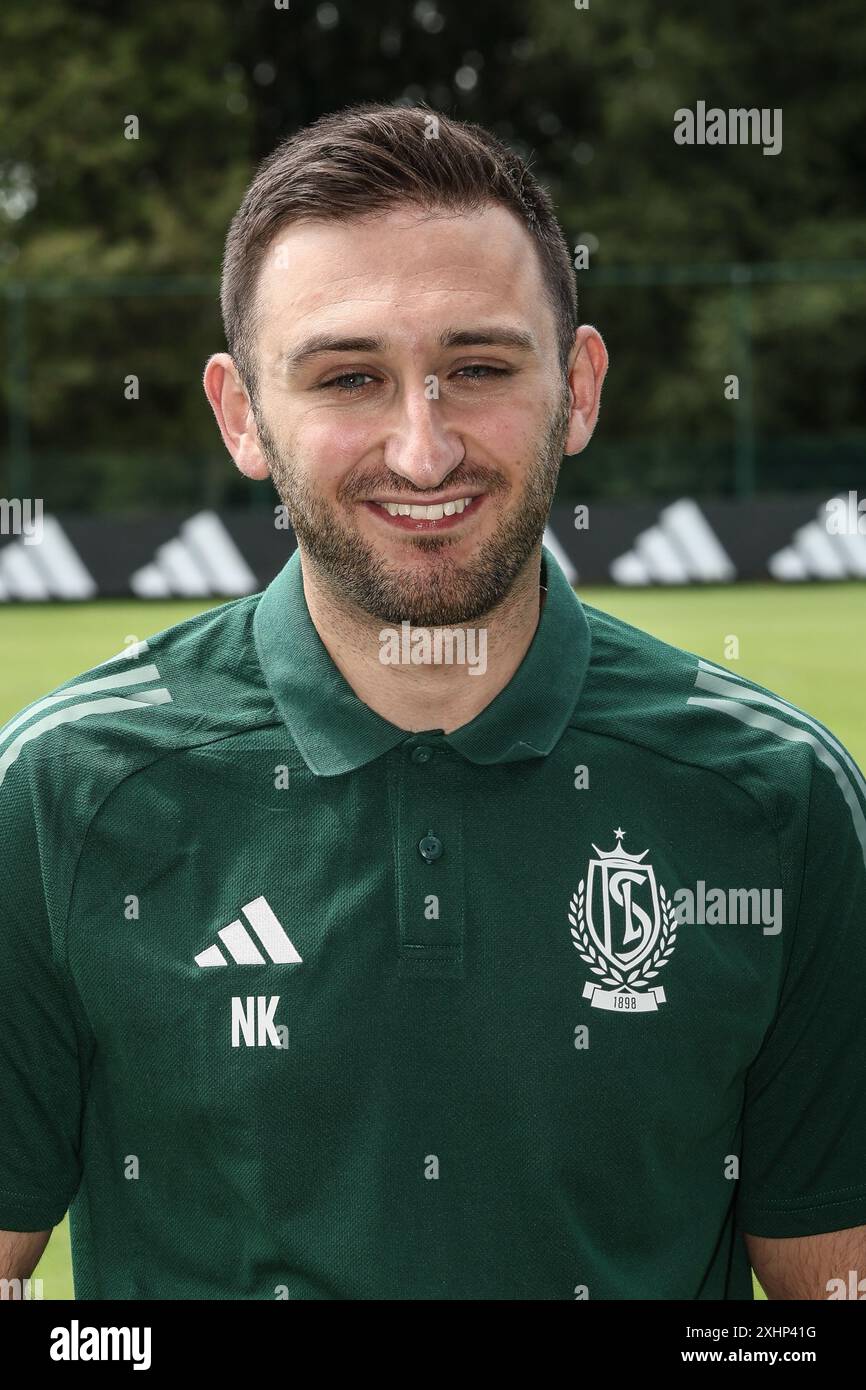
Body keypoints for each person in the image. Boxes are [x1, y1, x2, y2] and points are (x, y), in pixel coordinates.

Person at [1, 102, 864, 1301]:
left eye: (476, 368)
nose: (422, 450)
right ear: (241, 414)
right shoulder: (60, 791)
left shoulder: (778, 795)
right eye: (349, 376)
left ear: (577, 386)